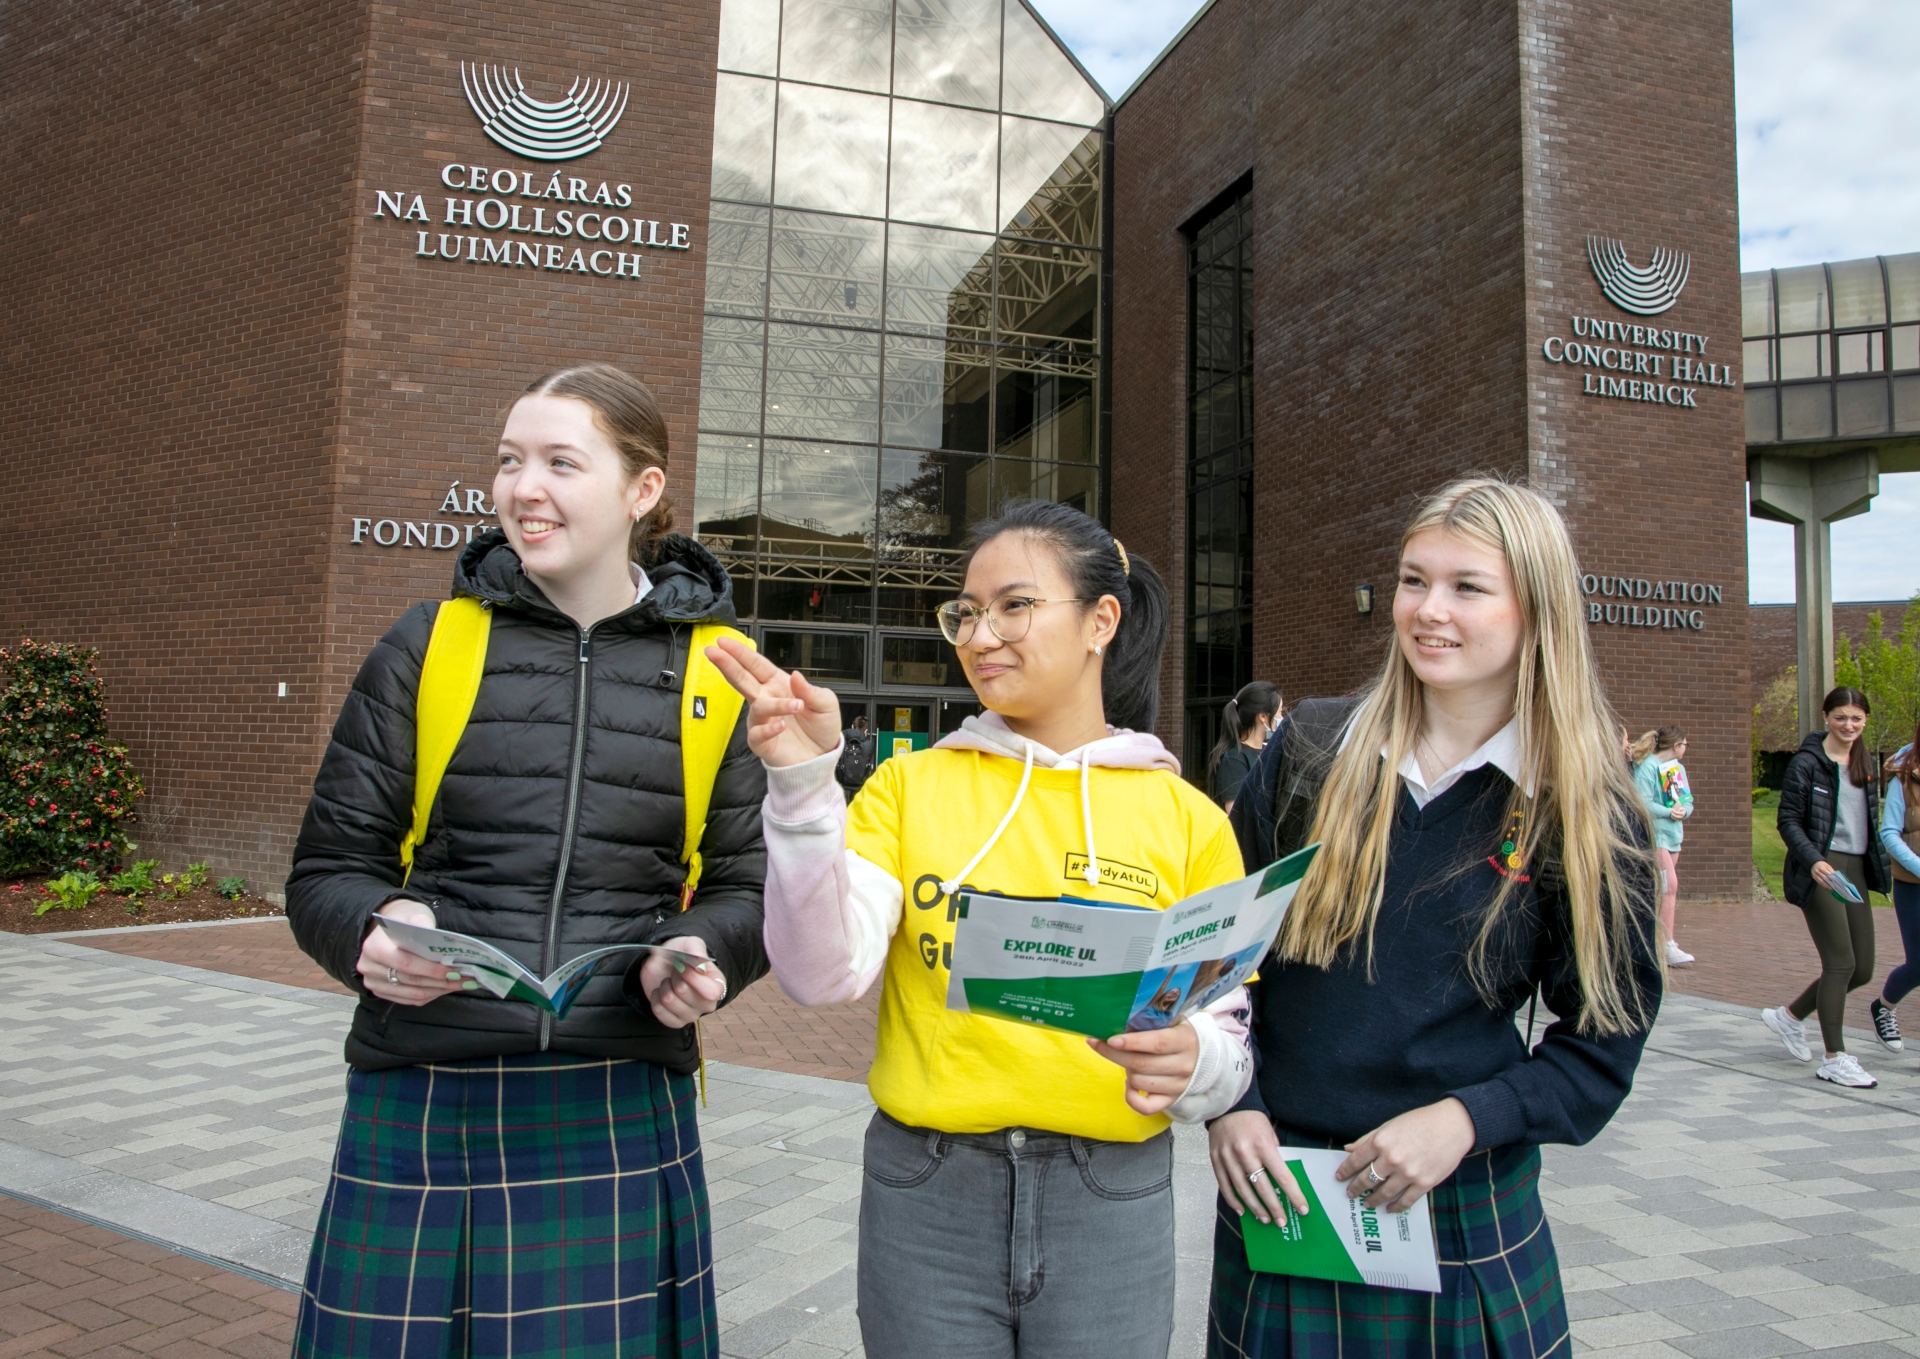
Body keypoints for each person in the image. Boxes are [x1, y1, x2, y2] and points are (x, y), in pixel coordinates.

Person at [285, 364, 768, 1358]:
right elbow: (328, 869)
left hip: (619, 1092)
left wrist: (701, 949)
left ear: (642, 491)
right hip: (423, 1087)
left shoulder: (719, 669)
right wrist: (371, 933)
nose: (522, 488)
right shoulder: (427, 647)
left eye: (559, 462)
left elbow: (750, 883)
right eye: (509, 462)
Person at [706, 499, 1254, 1359]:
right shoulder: (907, 788)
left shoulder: (1186, 821)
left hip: (1109, 1196)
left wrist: (1199, 1062)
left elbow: (1226, 1035)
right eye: (966, 610)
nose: (980, 633)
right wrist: (805, 788)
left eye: (1015, 604)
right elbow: (819, 975)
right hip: (926, 1190)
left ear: (1100, 620)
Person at [1216, 478, 1662, 1356]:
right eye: (1414, 579)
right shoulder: (1310, 751)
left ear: (1536, 611)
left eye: (1467, 586)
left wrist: (1467, 1117)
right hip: (1283, 1188)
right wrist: (1231, 1101)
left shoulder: (1587, 813)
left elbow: (1602, 1046)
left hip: (1461, 1206)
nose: (1428, 610)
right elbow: (1216, 957)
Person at [1764, 686, 1894, 1087]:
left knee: (1863, 969)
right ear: (1826, 716)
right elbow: (1787, 821)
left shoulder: (1865, 760)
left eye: (1856, 718)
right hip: (1819, 868)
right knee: (1840, 963)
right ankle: (1835, 1057)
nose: (1849, 724)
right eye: (1841, 717)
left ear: (1865, 720)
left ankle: (1787, 1017)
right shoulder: (1808, 763)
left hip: (1854, 868)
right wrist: (1815, 861)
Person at [1869, 725, 1920, 1052]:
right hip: (1913, 885)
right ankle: (1884, 1007)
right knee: (1919, 965)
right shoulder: (1903, 779)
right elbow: (1889, 833)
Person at [1631, 726, 1695, 966]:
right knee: (1669, 886)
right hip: (1655, 836)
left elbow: (1686, 801)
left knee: (1661, 891)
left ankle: (1655, 943)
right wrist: (1670, 811)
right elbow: (1642, 803)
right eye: (1685, 744)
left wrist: (1682, 811)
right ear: (1675, 746)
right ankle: (1667, 945)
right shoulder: (1647, 768)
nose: (1685, 749)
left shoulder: (1677, 770)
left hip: (1672, 836)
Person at [1209, 681, 1283, 811]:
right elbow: (1236, 814)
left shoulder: (1269, 752)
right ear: (1263, 716)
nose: (1282, 718)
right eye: (1280, 712)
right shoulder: (1234, 760)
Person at [837, 713, 876, 797]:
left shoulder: (841, 742)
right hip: (860, 788)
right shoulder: (869, 745)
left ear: (852, 726)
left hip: (842, 787)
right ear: (865, 731)